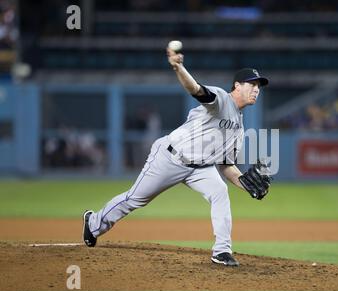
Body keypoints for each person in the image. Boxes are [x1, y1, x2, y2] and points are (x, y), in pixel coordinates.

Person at [82, 46, 270, 267]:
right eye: (252, 84)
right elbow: (196, 89)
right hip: (170, 157)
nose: (256, 89)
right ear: (237, 86)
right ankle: (94, 222)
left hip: (200, 168)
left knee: (220, 191)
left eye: (258, 86)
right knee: (135, 199)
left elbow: (226, 165)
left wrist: (247, 186)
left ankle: (222, 251)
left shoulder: (238, 128)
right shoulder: (221, 98)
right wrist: (179, 67)